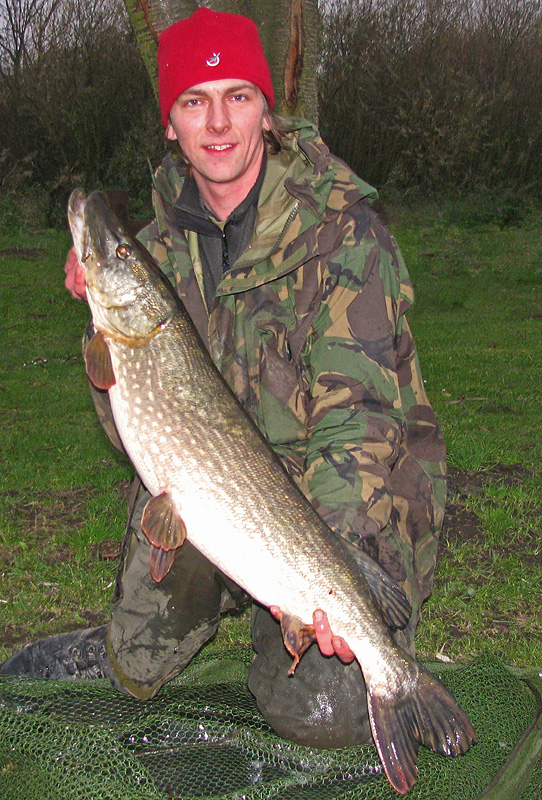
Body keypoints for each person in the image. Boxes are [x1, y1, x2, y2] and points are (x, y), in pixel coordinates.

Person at [1, 7, 446, 748]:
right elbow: (132, 432)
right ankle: (147, 630)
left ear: (269, 113)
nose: (218, 122)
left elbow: (360, 428)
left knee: (323, 709)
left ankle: (381, 669)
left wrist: (330, 582)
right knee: (137, 660)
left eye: (238, 95)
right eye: (193, 101)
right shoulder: (155, 251)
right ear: (169, 124)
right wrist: (101, 323)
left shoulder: (347, 238)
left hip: (350, 498)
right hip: (219, 490)